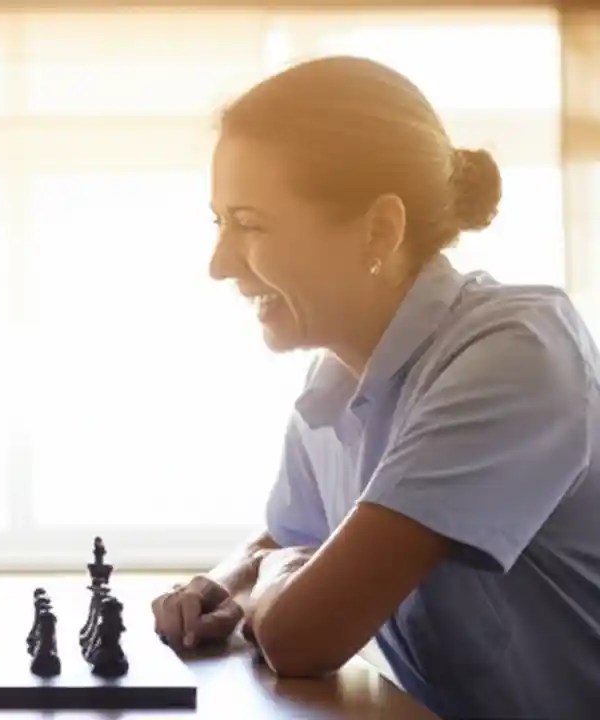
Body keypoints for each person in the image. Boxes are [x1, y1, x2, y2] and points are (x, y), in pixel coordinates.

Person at [151, 55, 600, 720]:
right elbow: (286, 540)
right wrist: (218, 585)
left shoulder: (515, 351)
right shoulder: (334, 377)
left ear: (379, 230)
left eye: (250, 223)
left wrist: (273, 581)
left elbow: (303, 635)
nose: (220, 266)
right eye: (219, 222)